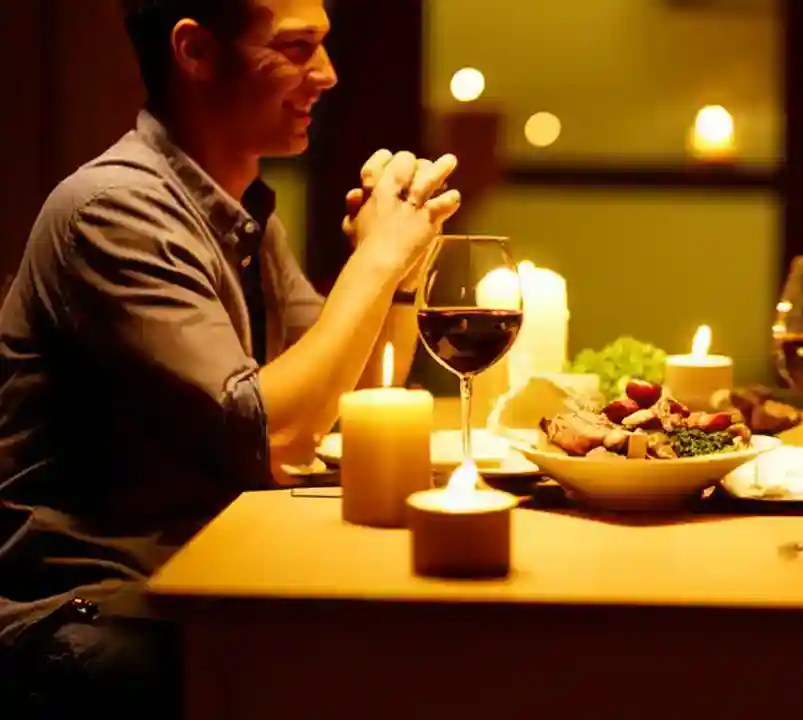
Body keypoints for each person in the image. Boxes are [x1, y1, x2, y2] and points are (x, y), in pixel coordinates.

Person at [0, 0, 459, 715]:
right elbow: (275, 436)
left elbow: (357, 394)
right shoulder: (113, 210)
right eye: (298, 47)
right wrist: (375, 259)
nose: (328, 74)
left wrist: (397, 279)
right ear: (195, 51)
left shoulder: (235, 210)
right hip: (94, 617)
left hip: (200, 584)